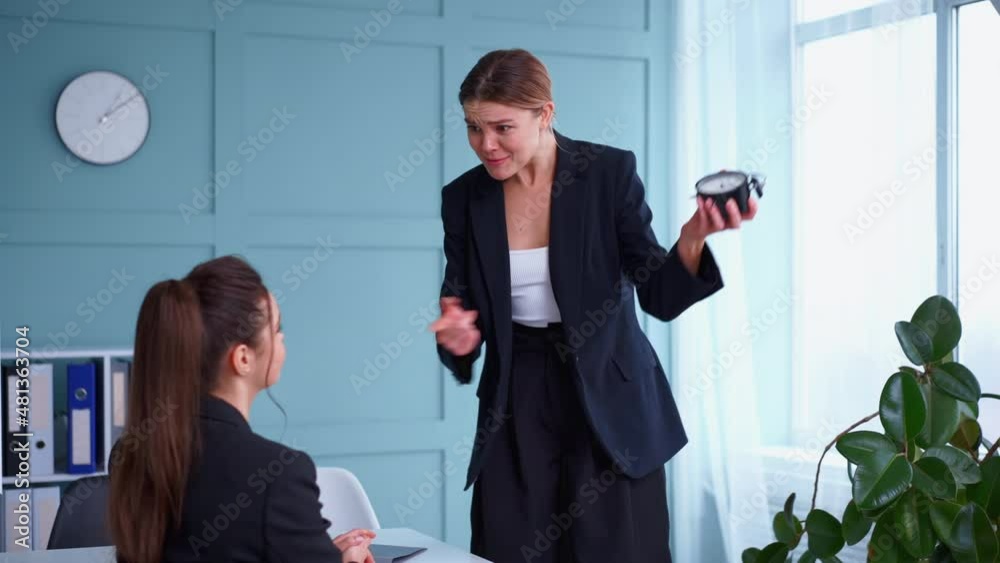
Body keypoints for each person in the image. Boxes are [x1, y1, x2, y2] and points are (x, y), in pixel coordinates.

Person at [430, 49, 758, 562]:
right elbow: (460, 309)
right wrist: (458, 339)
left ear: (545, 114)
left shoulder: (607, 173)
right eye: (473, 127)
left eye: (501, 127)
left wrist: (693, 236)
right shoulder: (464, 199)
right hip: (517, 403)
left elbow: (659, 295)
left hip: (611, 400)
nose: (485, 145)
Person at [107, 255, 376, 563]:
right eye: (276, 328)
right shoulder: (278, 475)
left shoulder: (128, 453)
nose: (283, 337)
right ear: (243, 358)